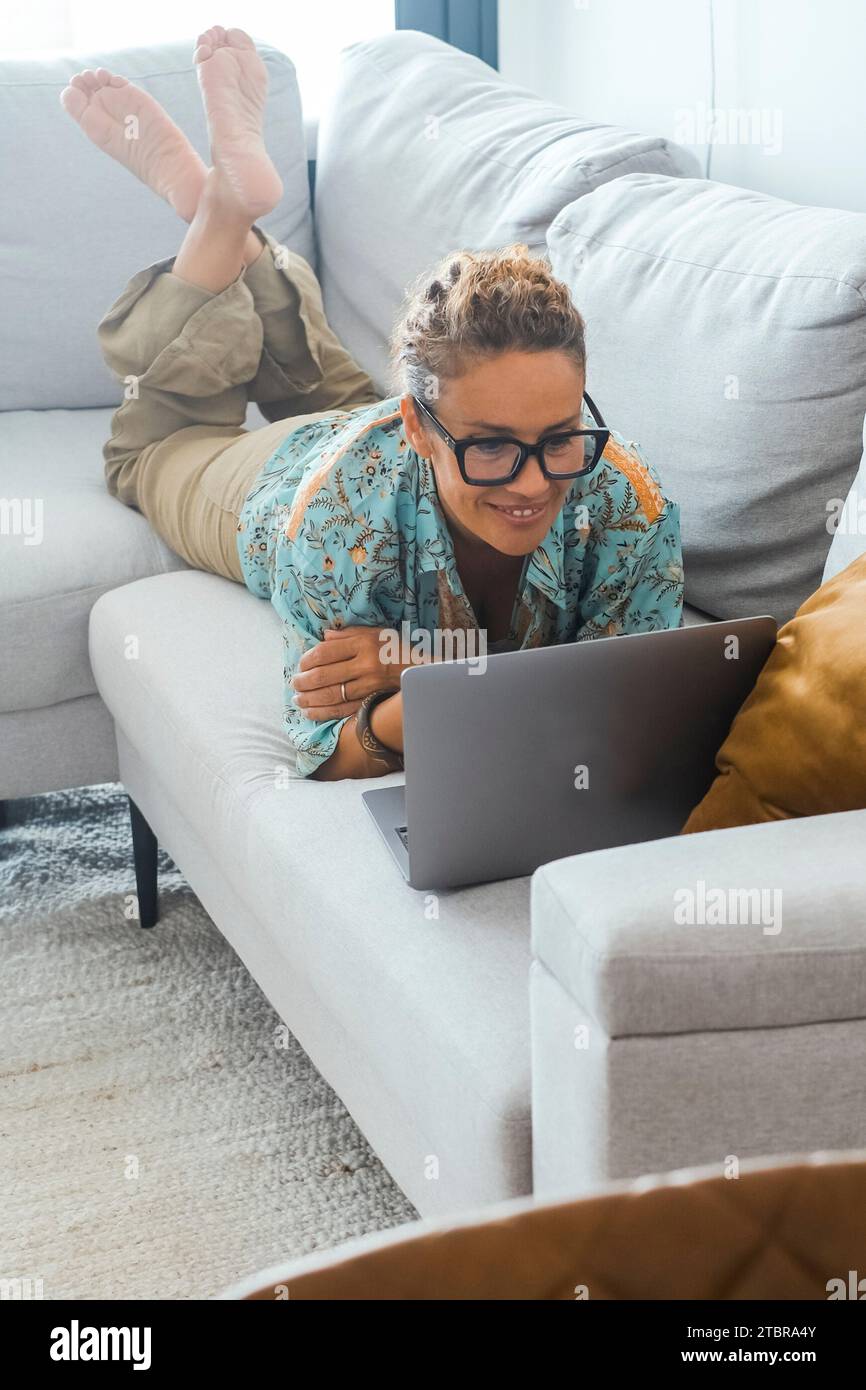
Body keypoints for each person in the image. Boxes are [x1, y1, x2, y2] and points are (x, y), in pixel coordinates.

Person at [62, 25, 684, 781]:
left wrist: (416, 663)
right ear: (419, 428)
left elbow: (617, 695)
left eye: (559, 437)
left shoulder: (627, 502)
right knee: (154, 449)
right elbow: (327, 750)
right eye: (492, 447)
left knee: (331, 388)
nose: (533, 483)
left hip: (386, 443)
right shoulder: (330, 523)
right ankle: (221, 218)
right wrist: (428, 688)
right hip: (283, 477)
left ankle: (223, 223)